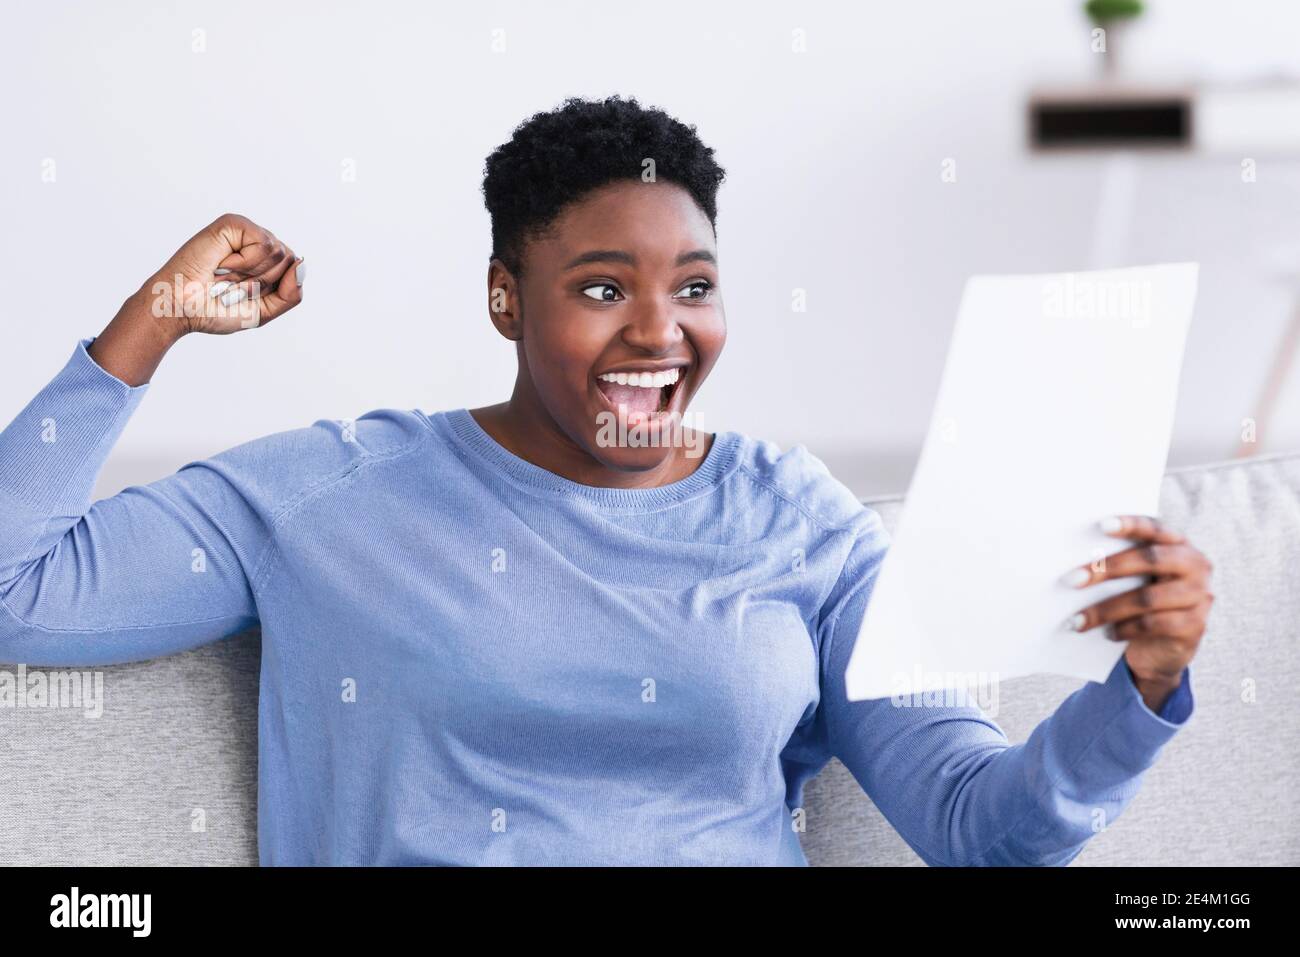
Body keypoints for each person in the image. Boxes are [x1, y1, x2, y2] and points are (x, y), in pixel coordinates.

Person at [0, 95, 1212, 866]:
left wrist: (1140, 691)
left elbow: (980, 830)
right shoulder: (332, 494)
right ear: (502, 299)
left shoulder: (804, 528)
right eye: (598, 288)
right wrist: (147, 324)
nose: (657, 333)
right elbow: (17, 592)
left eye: (693, 287)